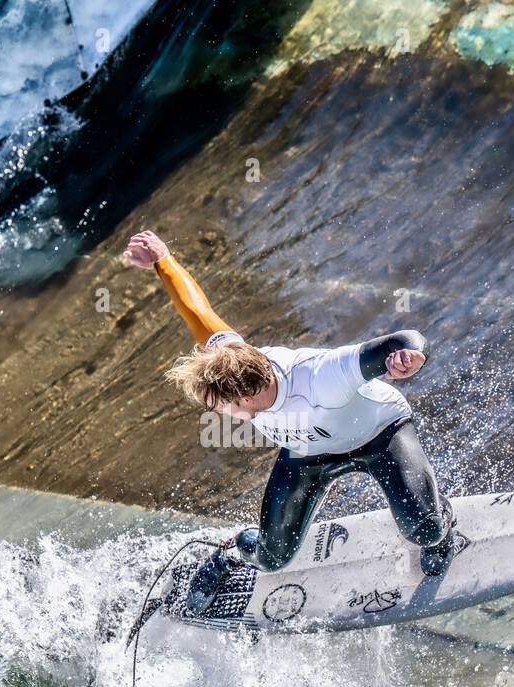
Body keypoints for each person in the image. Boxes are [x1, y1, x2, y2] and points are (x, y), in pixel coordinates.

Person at [123, 230, 457, 614]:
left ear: (246, 398)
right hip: (308, 453)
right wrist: (163, 260)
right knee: (271, 557)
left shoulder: (320, 378)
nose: (216, 414)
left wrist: (410, 355)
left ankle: (440, 521)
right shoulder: (231, 358)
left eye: (220, 407)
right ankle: (227, 555)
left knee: (426, 530)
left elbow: (405, 338)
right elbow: (195, 310)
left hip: (380, 436)